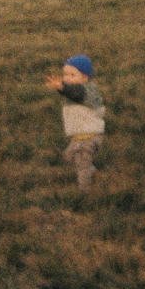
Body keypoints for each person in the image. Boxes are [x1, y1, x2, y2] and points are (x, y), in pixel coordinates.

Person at [44, 54, 106, 189]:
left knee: (81, 163)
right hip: (79, 136)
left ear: (85, 77)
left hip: (88, 137)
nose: (67, 78)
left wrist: (62, 88)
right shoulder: (77, 89)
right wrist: (61, 88)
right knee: (69, 156)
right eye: (65, 74)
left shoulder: (88, 90)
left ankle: (85, 190)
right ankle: (91, 170)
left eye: (72, 75)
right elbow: (72, 93)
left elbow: (76, 93)